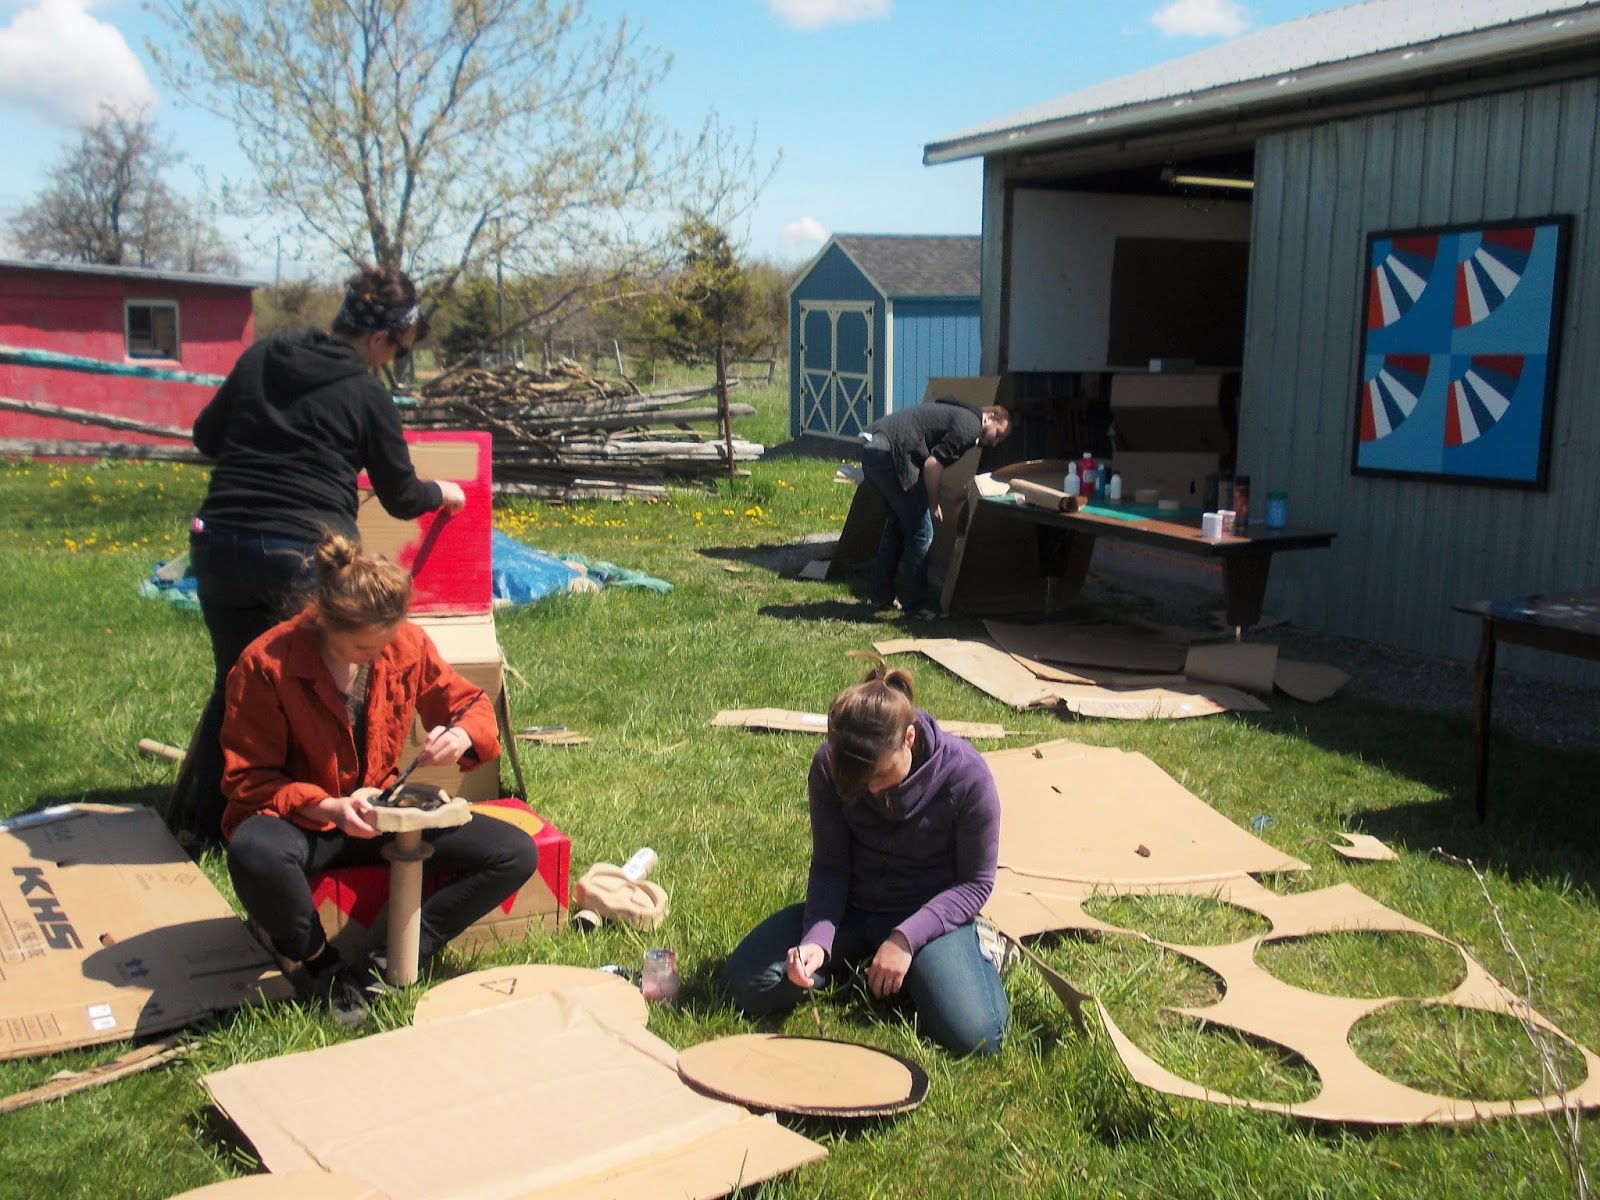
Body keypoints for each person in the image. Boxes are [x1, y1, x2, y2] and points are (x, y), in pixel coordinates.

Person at [182, 264, 466, 844]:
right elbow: (402, 494)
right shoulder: (365, 393)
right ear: (379, 339)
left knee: (236, 682)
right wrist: (446, 492)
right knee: (300, 691)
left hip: (220, 541)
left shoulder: (265, 355)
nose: (386, 363)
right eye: (392, 352)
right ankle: (293, 823)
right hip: (299, 556)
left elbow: (206, 437)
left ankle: (197, 824)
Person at [220, 532, 536, 1024]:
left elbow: (471, 703)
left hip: (384, 811)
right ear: (323, 620)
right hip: (306, 820)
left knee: (515, 853)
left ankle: (392, 955)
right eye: (364, 646)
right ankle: (321, 965)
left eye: (386, 641)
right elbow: (247, 779)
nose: (379, 655)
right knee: (253, 852)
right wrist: (328, 807)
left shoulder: (401, 641)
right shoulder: (265, 664)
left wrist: (461, 735)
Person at [724, 662, 1008, 1056]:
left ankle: (971, 952)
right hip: (852, 912)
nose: (869, 791)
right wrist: (815, 944)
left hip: (927, 919)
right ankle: (864, 961)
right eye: (856, 783)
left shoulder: (966, 776)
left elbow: (976, 882)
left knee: (977, 1037)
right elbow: (830, 866)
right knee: (744, 982)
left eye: (877, 776)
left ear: (908, 738)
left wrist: (905, 939)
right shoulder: (830, 766)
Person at [858, 398, 1011, 620]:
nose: (995, 443)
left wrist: (948, 496)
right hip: (892, 453)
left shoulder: (958, 415)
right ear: (990, 417)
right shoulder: (971, 426)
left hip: (873, 448)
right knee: (922, 533)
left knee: (898, 525)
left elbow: (929, 468)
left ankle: (881, 595)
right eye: (998, 435)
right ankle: (915, 606)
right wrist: (933, 504)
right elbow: (932, 465)